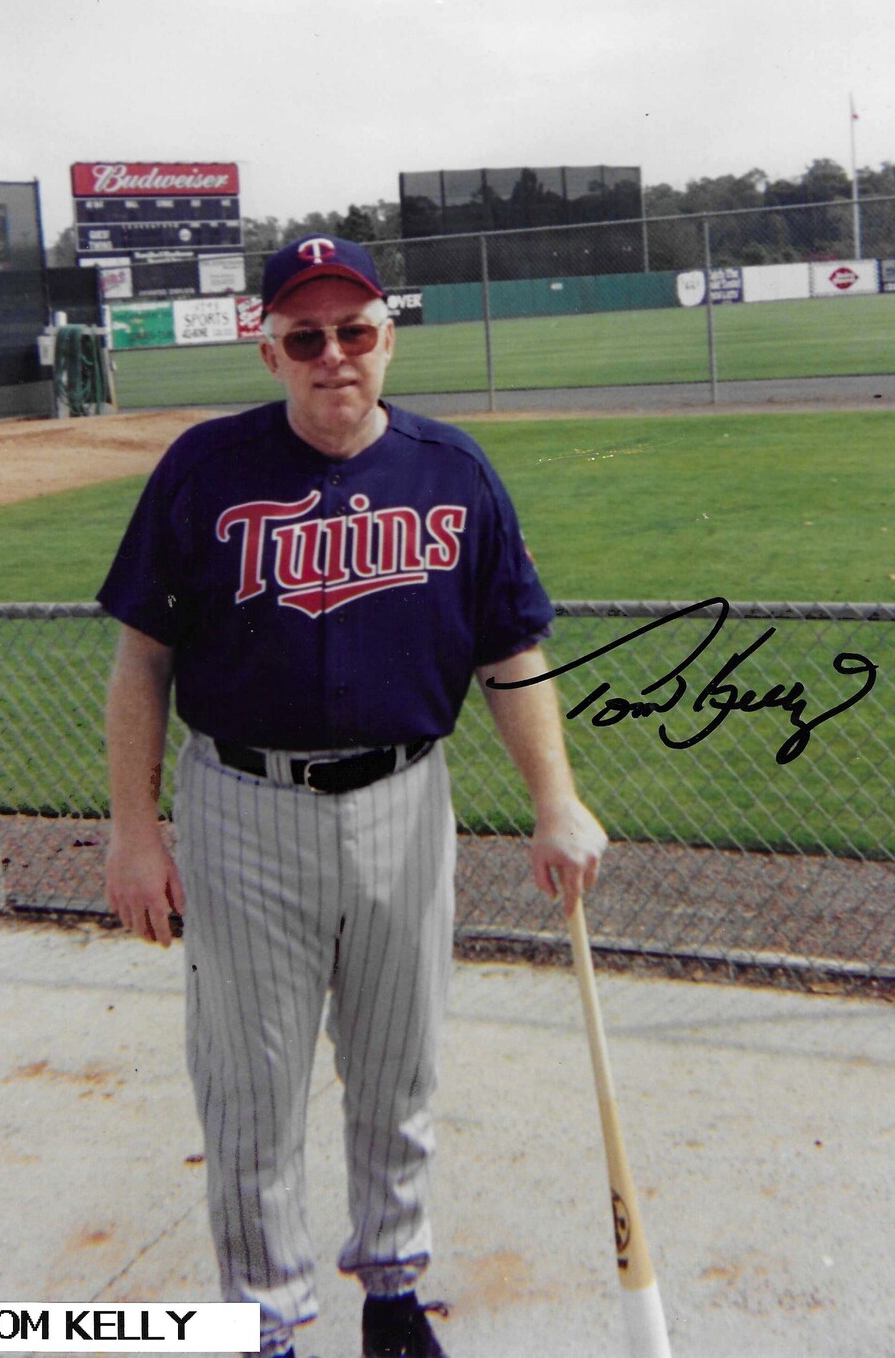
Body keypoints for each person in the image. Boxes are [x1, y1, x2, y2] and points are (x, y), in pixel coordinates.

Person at [99, 235, 607, 1358]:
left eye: (355, 331)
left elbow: (511, 653)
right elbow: (142, 660)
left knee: (399, 1062)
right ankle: (269, 1321)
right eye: (306, 335)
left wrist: (556, 801)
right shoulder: (202, 468)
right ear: (268, 348)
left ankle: (392, 1289)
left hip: (403, 803)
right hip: (241, 804)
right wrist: (135, 834)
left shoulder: (454, 471)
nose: (334, 355)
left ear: (388, 336)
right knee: (252, 1084)